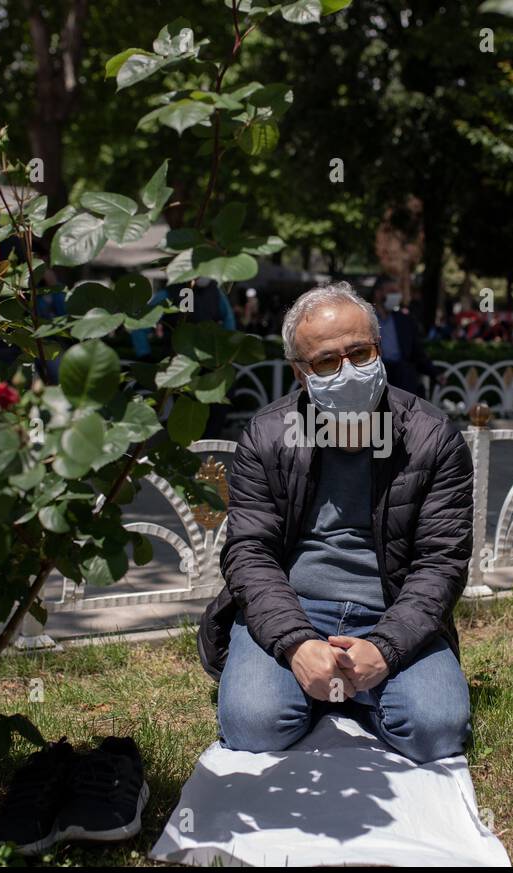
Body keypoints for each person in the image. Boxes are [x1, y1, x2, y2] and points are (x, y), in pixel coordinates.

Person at [196, 282, 474, 764]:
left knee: (435, 731)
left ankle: (346, 684)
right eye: (326, 362)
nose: (347, 371)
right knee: (255, 726)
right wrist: (297, 643)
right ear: (300, 374)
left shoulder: (433, 438)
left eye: (360, 353)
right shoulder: (267, 435)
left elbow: (441, 563)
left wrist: (386, 648)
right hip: (293, 605)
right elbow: (249, 554)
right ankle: (328, 682)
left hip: (392, 609)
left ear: (379, 350)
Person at [371, 277, 437, 397]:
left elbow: (417, 352)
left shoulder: (404, 320)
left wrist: (435, 373)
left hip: (401, 374)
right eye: (391, 291)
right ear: (378, 293)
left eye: (397, 292)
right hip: (376, 373)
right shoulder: (365, 319)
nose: (396, 296)